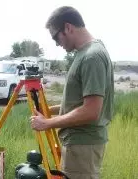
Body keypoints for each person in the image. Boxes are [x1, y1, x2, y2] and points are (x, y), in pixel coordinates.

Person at [30, 6, 114, 179]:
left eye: (55, 36)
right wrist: (49, 110)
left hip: (83, 145)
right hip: (80, 145)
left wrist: (48, 124)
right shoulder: (88, 53)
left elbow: (91, 111)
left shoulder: (91, 57)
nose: (56, 43)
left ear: (68, 27)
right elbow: (80, 104)